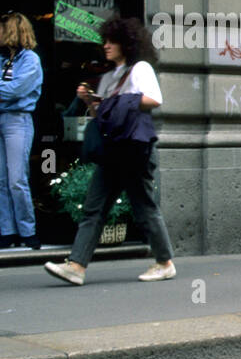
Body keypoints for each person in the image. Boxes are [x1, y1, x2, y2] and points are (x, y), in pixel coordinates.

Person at [45, 18, 177, 286]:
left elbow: (154, 98)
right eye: (104, 41)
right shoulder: (107, 77)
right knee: (94, 207)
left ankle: (165, 262)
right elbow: (104, 116)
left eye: (111, 41)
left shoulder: (140, 69)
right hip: (113, 150)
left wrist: (116, 101)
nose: (105, 46)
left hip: (135, 149)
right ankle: (76, 266)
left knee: (144, 206)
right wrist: (91, 102)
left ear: (126, 43)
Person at [0, 11, 43, 250]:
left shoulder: (30, 60)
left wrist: (4, 93)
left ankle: (28, 231)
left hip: (18, 120)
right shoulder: (3, 59)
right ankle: (8, 231)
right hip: (3, 118)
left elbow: (15, 90)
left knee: (17, 179)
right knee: (1, 179)